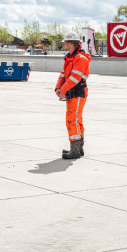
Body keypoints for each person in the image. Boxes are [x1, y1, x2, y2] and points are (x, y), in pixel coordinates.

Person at [54, 31, 91, 159]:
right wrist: (58, 89)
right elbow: (63, 75)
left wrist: (62, 91)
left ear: (70, 43)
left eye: (65, 42)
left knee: (72, 120)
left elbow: (74, 78)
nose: (63, 44)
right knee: (76, 120)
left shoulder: (80, 58)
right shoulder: (69, 58)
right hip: (72, 93)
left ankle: (75, 150)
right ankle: (78, 149)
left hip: (78, 92)